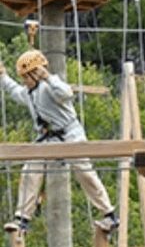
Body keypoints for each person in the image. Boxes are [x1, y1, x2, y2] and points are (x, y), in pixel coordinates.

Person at [0, 49, 119, 234]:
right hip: (48, 139)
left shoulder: (50, 87)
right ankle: (22, 219)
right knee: (31, 169)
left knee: (84, 172)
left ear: (35, 74)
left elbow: (66, 93)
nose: (24, 81)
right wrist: (3, 76)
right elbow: (14, 91)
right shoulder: (29, 93)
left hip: (70, 136)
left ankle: (109, 214)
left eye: (26, 77)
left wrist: (48, 76)